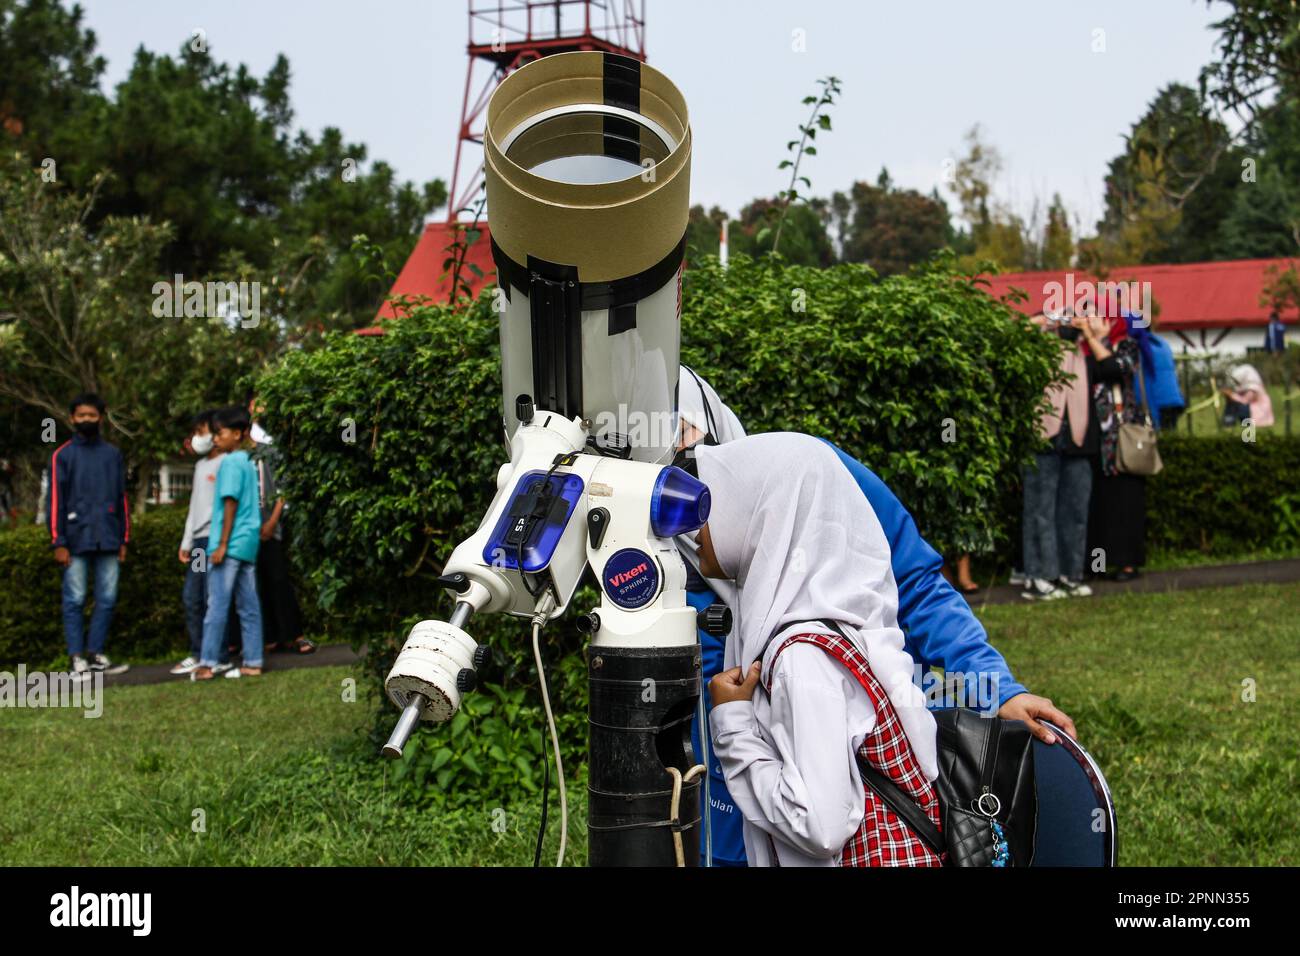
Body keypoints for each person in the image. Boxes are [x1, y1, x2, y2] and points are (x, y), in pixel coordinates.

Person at [676, 366, 1077, 866]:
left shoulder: (807, 478)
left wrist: (993, 688)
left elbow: (915, 581)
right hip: (723, 777)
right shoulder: (657, 528)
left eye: (685, 451)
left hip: (835, 788)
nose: (678, 495)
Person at [699, 433, 941, 867]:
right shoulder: (842, 629)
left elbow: (820, 826)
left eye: (710, 506)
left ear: (760, 515)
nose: (693, 528)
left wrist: (732, 725)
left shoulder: (800, 658)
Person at [49, 393, 130, 676]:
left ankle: (96, 654)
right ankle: (76, 658)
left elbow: (122, 498)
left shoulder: (112, 454)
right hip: (75, 540)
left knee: (107, 598)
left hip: (108, 537)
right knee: (75, 599)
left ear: (101, 418)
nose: (86, 420)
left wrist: (123, 539)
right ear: (72, 418)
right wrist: (58, 541)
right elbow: (55, 501)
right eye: (81, 416)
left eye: (91, 416)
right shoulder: (62, 455)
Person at [1020, 311, 1095, 602]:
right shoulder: (1038, 349)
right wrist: (1046, 321)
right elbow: (1016, 333)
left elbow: (1110, 362)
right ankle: (1039, 576)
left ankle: (1070, 574)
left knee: (1074, 511)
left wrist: (1085, 329)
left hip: (1078, 441)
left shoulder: (1083, 350)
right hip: (1042, 438)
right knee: (1040, 510)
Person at [191, 405, 265, 681]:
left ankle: (207, 663)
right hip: (247, 543)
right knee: (249, 606)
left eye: (219, 433)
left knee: (217, 604)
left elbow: (229, 502)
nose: (215, 438)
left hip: (230, 544)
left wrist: (221, 544)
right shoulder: (247, 460)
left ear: (237, 433)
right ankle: (253, 661)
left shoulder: (231, 462)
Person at [171, 410, 235, 676]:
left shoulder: (228, 463)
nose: (197, 437)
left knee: (214, 598)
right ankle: (199, 652)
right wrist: (187, 541)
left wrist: (222, 541)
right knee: (193, 597)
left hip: (215, 540)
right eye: (196, 432)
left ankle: (219, 654)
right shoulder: (199, 467)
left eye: (202, 431)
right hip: (198, 543)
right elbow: (194, 508)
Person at [1085, 310, 1146, 582]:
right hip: (1096, 438)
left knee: (1126, 501)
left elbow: (1113, 367)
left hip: (1123, 437)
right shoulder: (1083, 350)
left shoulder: (1128, 346)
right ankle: (1098, 565)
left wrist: (1093, 337)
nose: (1090, 321)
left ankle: (1127, 564)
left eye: (1096, 317)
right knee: (1100, 504)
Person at [250, 429, 313, 654]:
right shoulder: (235, 457)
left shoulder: (268, 452)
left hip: (270, 529)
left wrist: (272, 522)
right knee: (256, 586)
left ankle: (295, 635)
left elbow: (281, 488)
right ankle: (270, 639)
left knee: (279, 580)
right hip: (247, 534)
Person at [1140, 316, 1186, 431]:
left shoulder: (1140, 347)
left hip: (1157, 401)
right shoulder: (1162, 343)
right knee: (1170, 436)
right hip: (1173, 398)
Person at [1222, 364, 1275, 428]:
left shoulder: (1253, 388)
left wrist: (1231, 395)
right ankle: (1228, 422)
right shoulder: (1246, 386)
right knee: (1231, 402)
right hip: (1252, 410)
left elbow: (1245, 401)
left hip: (1258, 413)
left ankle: (1228, 422)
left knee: (1236, 405)